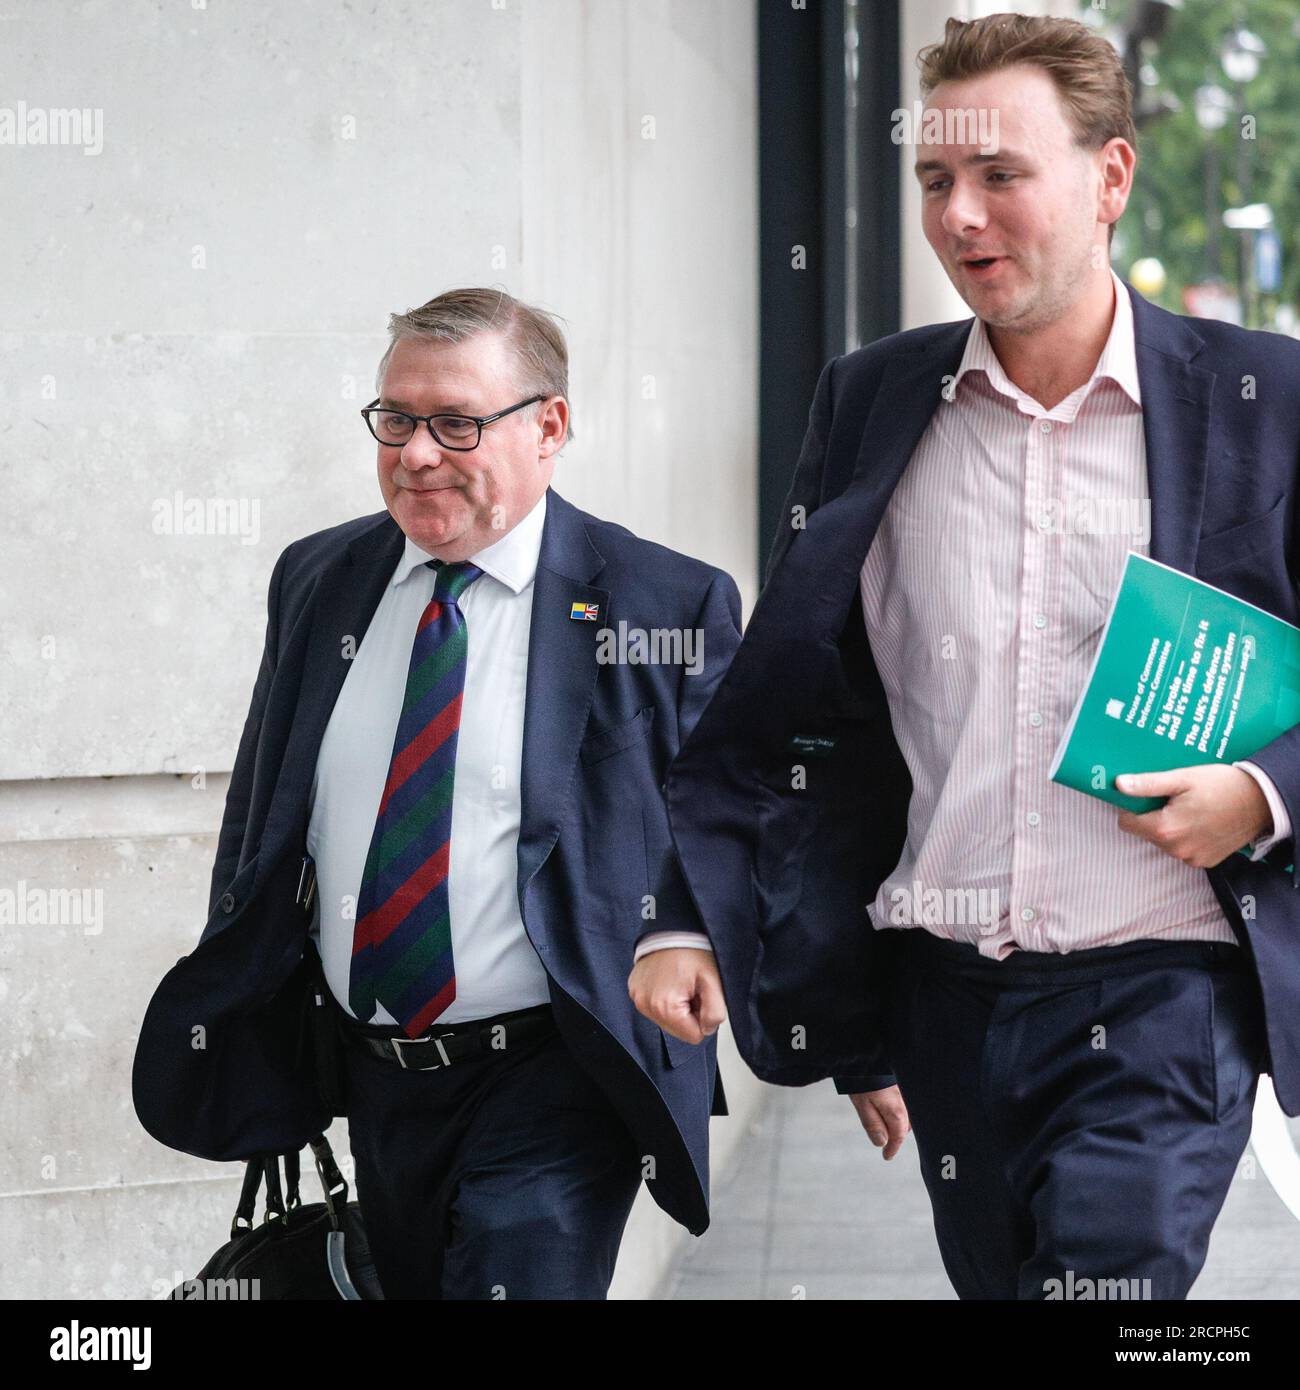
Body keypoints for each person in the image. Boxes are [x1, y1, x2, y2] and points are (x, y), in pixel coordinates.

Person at [631, 12, 1300, 1300]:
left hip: (1165, 987)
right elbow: (793, 705)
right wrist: (690, 915)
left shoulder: (1262, 399)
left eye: (1001, 174)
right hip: (943, 995)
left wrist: (1262, 791)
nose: (957, 215)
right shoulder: (870, 399)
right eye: (935, 180)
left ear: (1108, 176)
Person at [133, 287, 741, 1299]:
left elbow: (732, 812)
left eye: (456, 421)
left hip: (560, 1067)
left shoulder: (660, 600)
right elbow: (266, 807)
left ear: (548, 426)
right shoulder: (321, 578)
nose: (417, 452)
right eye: (397, 419)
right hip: (377, 1073)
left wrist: (700, 942)